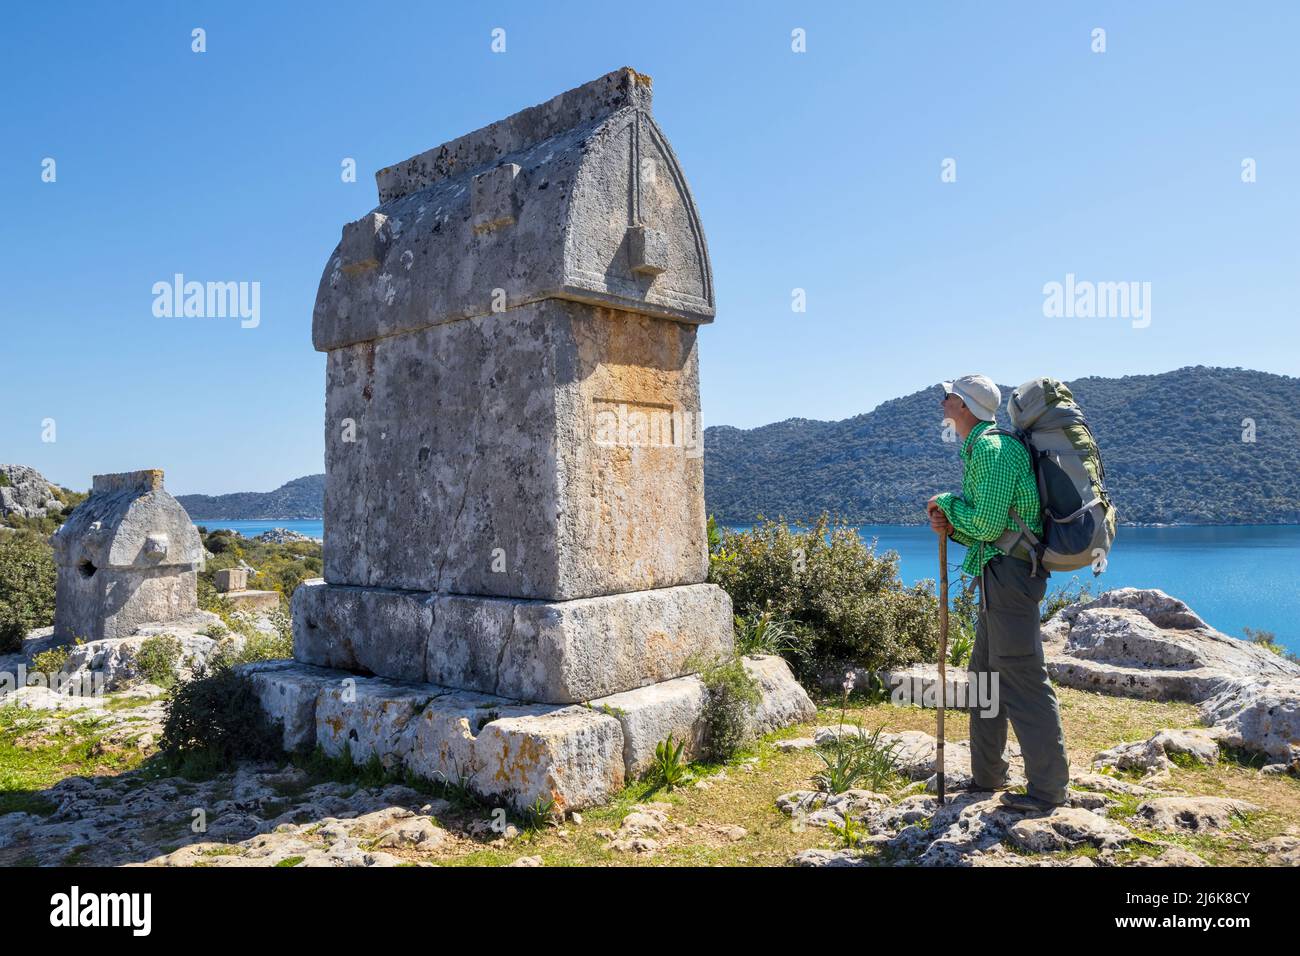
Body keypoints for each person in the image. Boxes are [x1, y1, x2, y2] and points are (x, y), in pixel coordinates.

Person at [926, 374, 1070, 809]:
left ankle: (1048, 791)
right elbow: (988, 530)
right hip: (998, 574)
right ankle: (987, 776)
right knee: (985, 680)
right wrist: (951, 523)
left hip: (1009, 579)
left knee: (1023, 679)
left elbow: (987, 526)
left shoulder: (992, 450)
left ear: (965, 406)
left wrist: (948, 504)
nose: (943, 401)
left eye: (949, 396)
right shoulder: (984, 448)